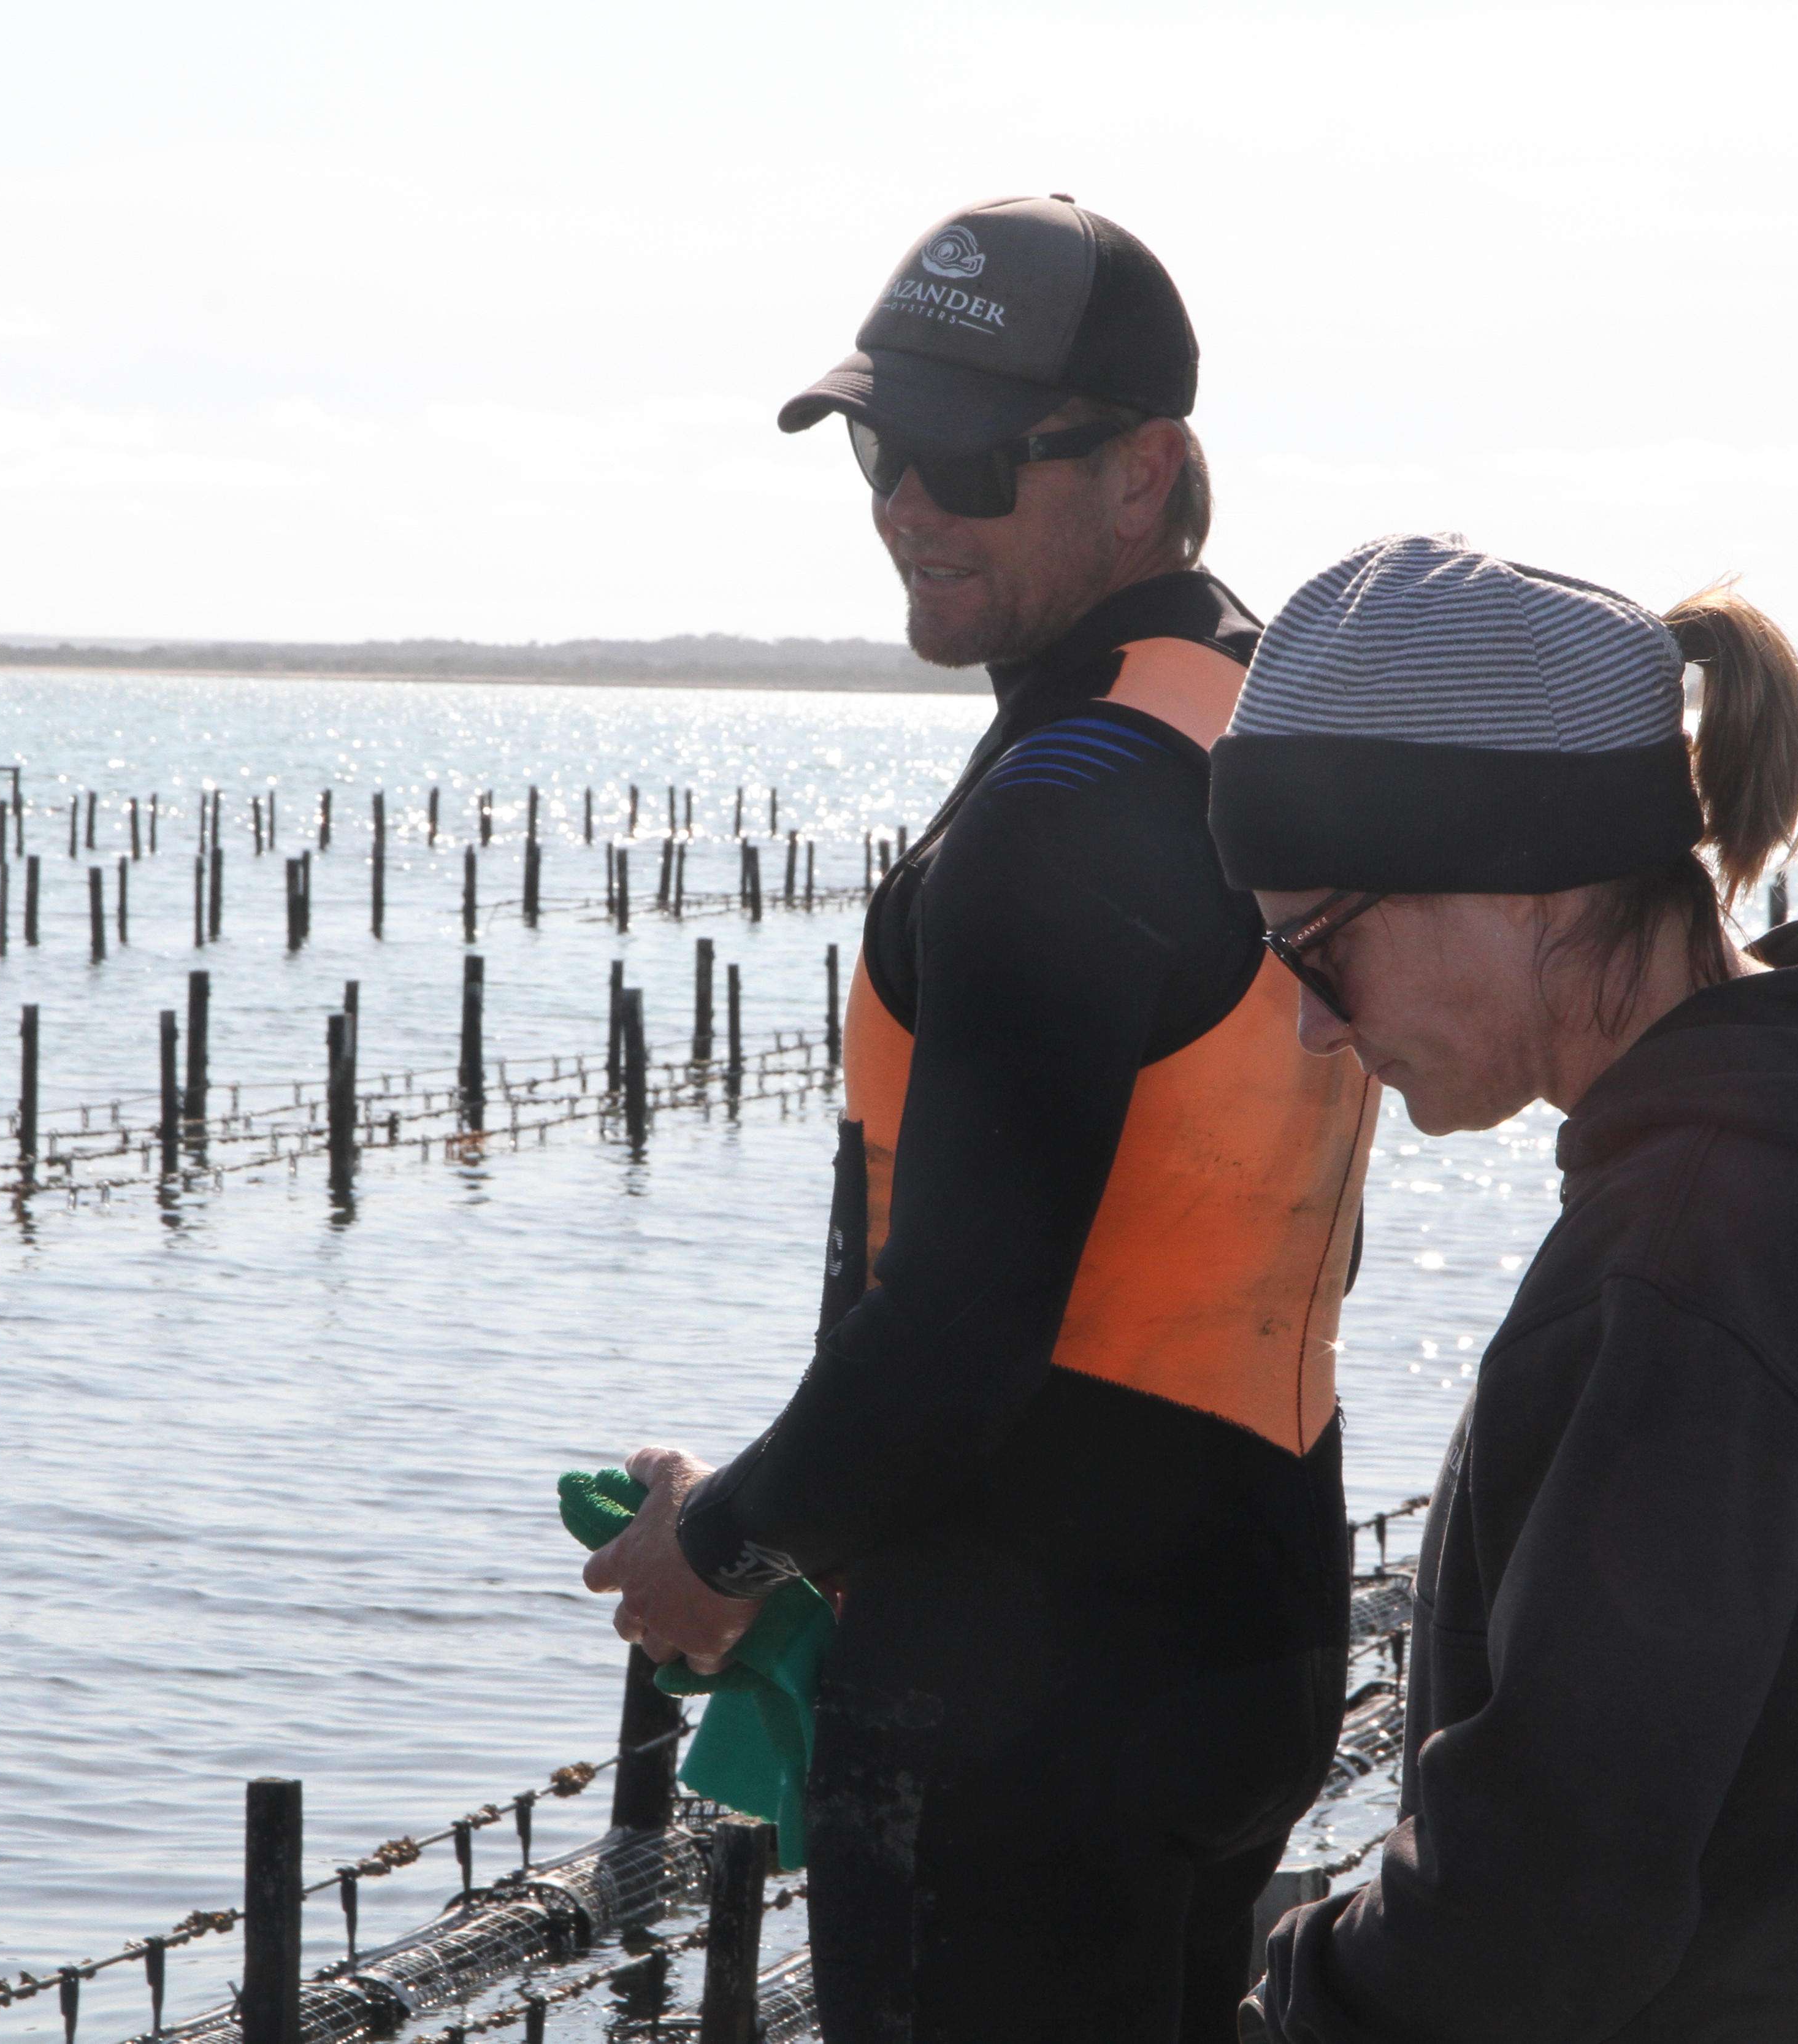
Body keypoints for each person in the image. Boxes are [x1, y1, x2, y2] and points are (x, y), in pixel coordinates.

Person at [580, 195, 1383, 2043]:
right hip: (1250, 1624)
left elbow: (962, 1327)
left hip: (1022, 1687)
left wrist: (721, 1549)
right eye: (878, 443)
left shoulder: (1057, 809)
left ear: (1144, 472)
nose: (903, 502)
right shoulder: (1253, 719)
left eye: (958, 453)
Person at [1211, 534, 1798, 2041]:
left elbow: (1554, 1887)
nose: (1311, 1029)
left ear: (1516, 878)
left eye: (1316, 950)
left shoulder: (1693, 1252)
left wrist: (1298, 1997)